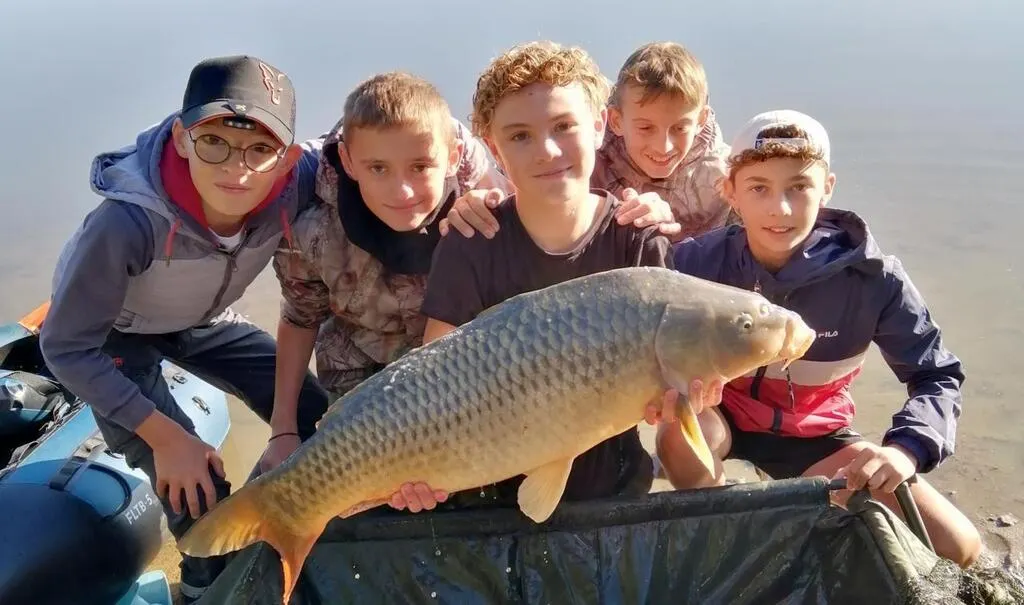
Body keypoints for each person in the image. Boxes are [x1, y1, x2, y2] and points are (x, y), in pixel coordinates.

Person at [38, 55, 331, 603]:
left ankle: (277, 527)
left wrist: (477, 186)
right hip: (115, 331)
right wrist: (168, 439)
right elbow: (64, 345)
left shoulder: (300, 179)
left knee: (317, 416)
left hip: (203, 318)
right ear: (180, 137)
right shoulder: (126, 223)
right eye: (214, 142)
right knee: (195, 486)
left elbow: (383, 134)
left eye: (260, 149)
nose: (237, 169)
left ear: (288, 158)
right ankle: (202, 585)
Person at [384, 41, 721, 515]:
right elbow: (432, 385)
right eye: (520, 136)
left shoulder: (637, 240)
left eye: (564, 126)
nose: (547, 150)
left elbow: (667, 393)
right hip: (485, 493)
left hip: (612, 489)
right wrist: (414, 474)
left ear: (600, 126)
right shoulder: (471, 240)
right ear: (494, 149)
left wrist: (681, 402)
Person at [655, 109, 982, 568]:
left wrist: (905, 450)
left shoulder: (874, 279)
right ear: (730, 191)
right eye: (759, 188)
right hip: (719, 413)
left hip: (814, 436)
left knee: (959, 546)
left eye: (799, 187)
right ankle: (720, 534)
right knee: (681, 432)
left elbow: (936, 375)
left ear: (827, 187)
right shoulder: (692, 264)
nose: (780, 209)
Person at [268, 71, 507, 470]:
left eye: (420, 167)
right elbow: (299, 319)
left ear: (451, 158)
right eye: (378, 168)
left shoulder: (481, 212)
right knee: (358, 480)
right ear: (348, 162)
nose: (402, 192)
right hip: (360, 378)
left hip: (463, 376)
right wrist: (282, 429)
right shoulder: (312, 232)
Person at [439, 41, 732, 243]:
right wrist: (478, 200)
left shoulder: (726, 174)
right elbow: (527, 186)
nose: (663, 146)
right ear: (613, 122)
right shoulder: (581, 148)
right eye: (645, 128)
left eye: (680, 128)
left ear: (701, 120)